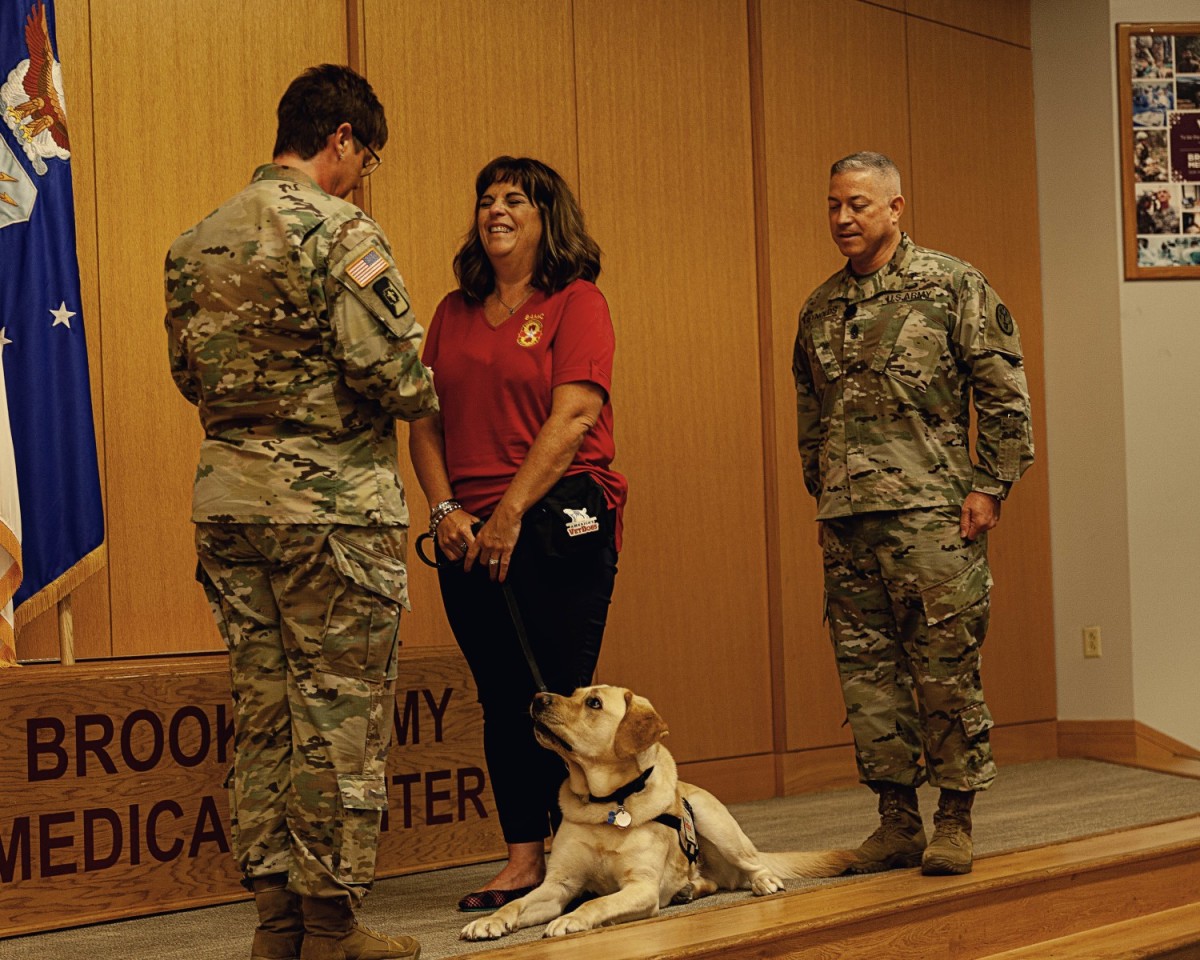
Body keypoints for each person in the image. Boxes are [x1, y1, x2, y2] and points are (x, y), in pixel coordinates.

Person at [165, 64, 438, 960]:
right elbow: (393, 376)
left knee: (267, 712)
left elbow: (187, 376)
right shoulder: (341, 231)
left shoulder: (196, 242)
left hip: (230, 505)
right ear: (343, 139)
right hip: (332, 514)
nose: (363, 175)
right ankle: (330, 930)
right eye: (367, 156)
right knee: (341, 715)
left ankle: (274, 927)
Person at [792, 152, 1034, 877]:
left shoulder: (952, 285)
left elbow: (1003, 394)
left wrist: (990, 485)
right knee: (868, 679)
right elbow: (810, 409)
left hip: (933, 517)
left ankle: (954, 818)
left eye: (858, 205)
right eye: (834, 204)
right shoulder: (819, 307)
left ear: (897, 207)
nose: (843, 219)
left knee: (944, 672)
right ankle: (896, 820)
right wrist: (824, 485)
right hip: (847, 519)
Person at [408, 155, 626, 911]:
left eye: (516, 200)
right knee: (501, 697)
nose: (496, 210)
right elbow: (425, 424)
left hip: (558, 520)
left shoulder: (576, 302)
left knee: (558, 698)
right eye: (487, 199)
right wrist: (446, 512)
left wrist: (508, 515)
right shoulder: (453, 310)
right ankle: (523, 859)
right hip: (467, 532)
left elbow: (572, 419)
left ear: (546, 217)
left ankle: (584, 852)